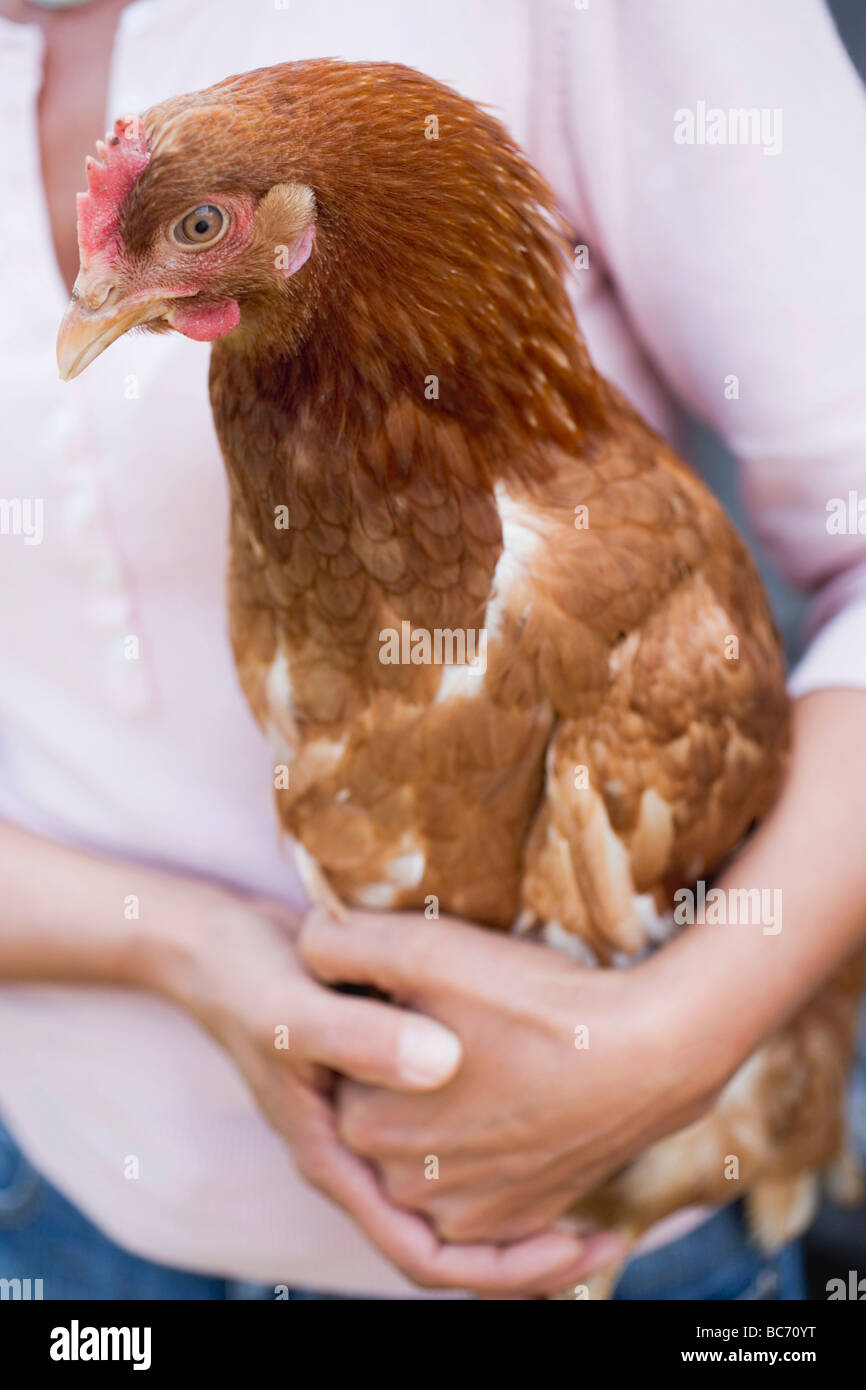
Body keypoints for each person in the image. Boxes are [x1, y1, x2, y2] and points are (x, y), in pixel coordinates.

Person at [1, 0, 865, 1301]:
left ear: (299, 228)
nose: (95, 302)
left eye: (191, 232)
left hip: (599, 1229)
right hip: (75, 1200)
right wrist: (185, 949)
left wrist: (666, 1036)